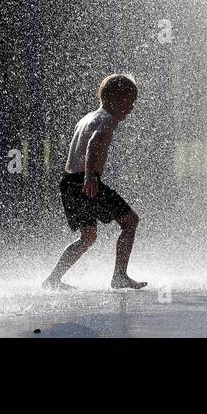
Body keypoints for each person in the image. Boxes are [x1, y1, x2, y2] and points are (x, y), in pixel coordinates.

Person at [43, 74, 146, 290]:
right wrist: (90, 176)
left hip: (69, 182)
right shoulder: (107, 120)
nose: (132, 107)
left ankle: (53, 279)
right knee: (130, 221)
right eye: (130, 101)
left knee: (88, 236)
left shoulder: (88, 117)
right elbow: (93, 143)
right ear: (116, 98)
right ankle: (119, 276)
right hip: (86, 181)